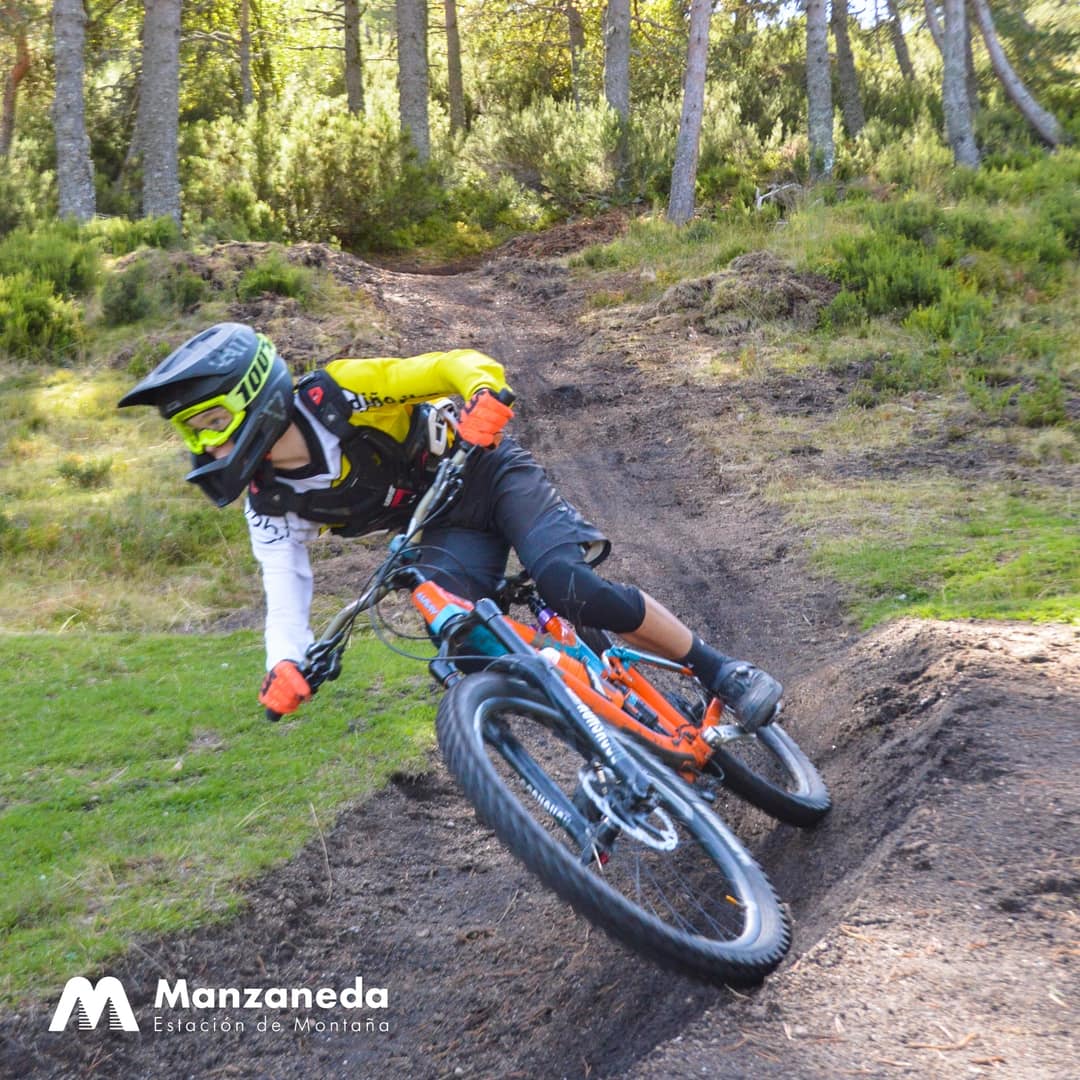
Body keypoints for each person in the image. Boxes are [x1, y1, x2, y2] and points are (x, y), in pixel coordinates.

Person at [119, 322, 782, 729]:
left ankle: (723, 672)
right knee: (460, 645)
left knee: (566, 583)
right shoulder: (267, 500)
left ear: (251, 397)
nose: (204, 448)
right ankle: (603, 748)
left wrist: (481, 393)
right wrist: (285, 663)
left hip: (487, 477)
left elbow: (443, 367)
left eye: (206, 425)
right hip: (438, 533)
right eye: (192, 434)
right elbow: (284, 593)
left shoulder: (340, 394)